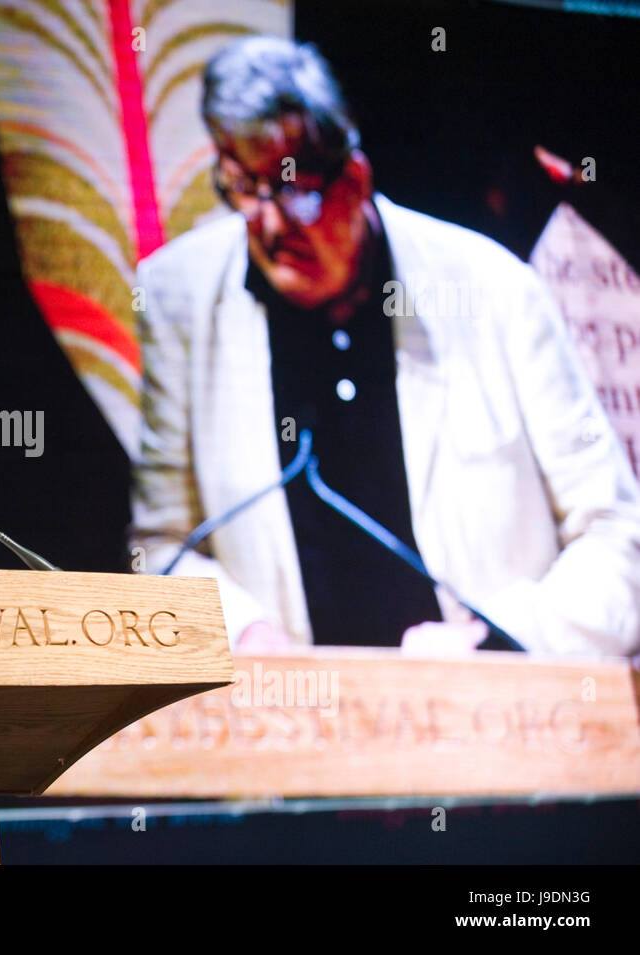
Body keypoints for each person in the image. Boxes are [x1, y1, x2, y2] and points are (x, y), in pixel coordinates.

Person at [131, 36, 640, 658]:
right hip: (285, 732)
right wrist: (242, 632)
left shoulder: (495, 289)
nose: (265, 224)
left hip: (488, 725)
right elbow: (159, 550)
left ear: (356, 178)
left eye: (293, 190)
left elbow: (619, 535)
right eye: (241, 185)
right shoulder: (177, 297)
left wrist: (496, 644)